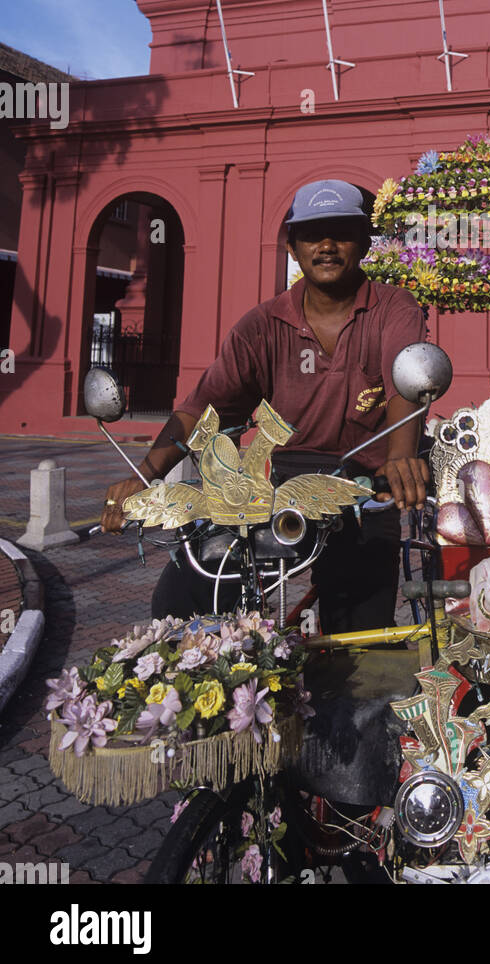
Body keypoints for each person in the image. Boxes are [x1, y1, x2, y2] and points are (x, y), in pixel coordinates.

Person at [101, 179, 430, 632]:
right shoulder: (261, 325)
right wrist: (144, 476)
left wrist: (400, 457)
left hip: (363, 483)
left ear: (365, 242)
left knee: (359, 628)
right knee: (190, 590)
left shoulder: (394, 308)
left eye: (342, 232)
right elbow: (203, 408)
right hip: (279, 480)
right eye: (314, 235)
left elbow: (405, 383)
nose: (328, 246)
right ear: (293, 248)